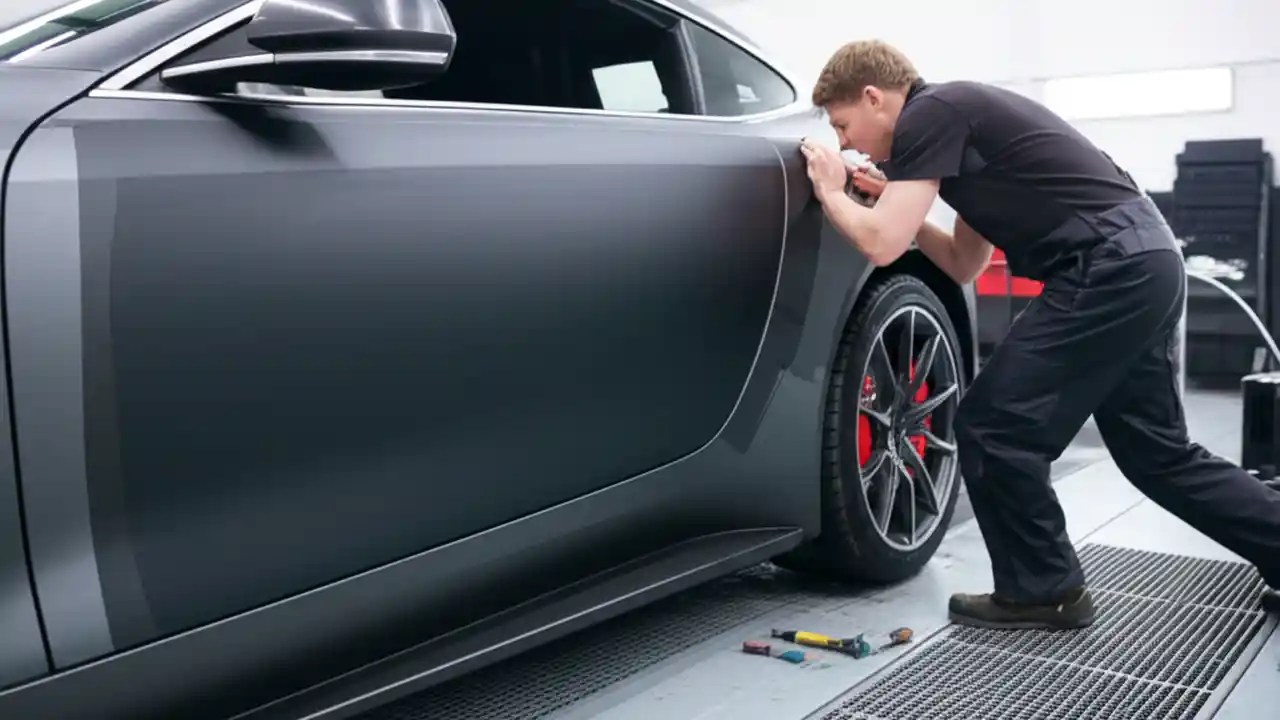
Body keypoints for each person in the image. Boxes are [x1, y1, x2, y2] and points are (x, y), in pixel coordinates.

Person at [798, 39, 1280, 630]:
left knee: (993, 425)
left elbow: (880, 243)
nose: (846, 144)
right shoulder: (960, 127)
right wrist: (897, 204)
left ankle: (1044, 589)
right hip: (1146, 261)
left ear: (875, 98)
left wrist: (827, 187)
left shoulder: (929, 114)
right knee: (1159, 456)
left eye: (844, 125)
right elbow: (962, 263)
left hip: (1109, 268)